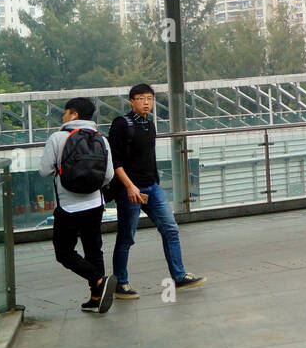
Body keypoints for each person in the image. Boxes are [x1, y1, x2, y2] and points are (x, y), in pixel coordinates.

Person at [108, 84, 205, 299]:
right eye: (141, 98)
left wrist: (155, 181)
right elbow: (114, 161)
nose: (146, 103)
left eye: (150, 99)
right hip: (130, 189)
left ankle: (179, 276)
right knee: (126, 237)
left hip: (152, 186)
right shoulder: (121, 125)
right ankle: (120, 283)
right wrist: (129, 186)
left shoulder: (149, 124)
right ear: (131, 101)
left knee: (170, 229)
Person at [39, 97, 117, 313]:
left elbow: (44, 170)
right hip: (95, 203)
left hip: (68, 206)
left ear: (73, 114)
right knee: (94, 249)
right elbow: (108, 175)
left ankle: (98, 280)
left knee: (64, 253)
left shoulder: (57, 138)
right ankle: (96, 297)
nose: (62, 116)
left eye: (65, 112)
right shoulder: (101, 138)